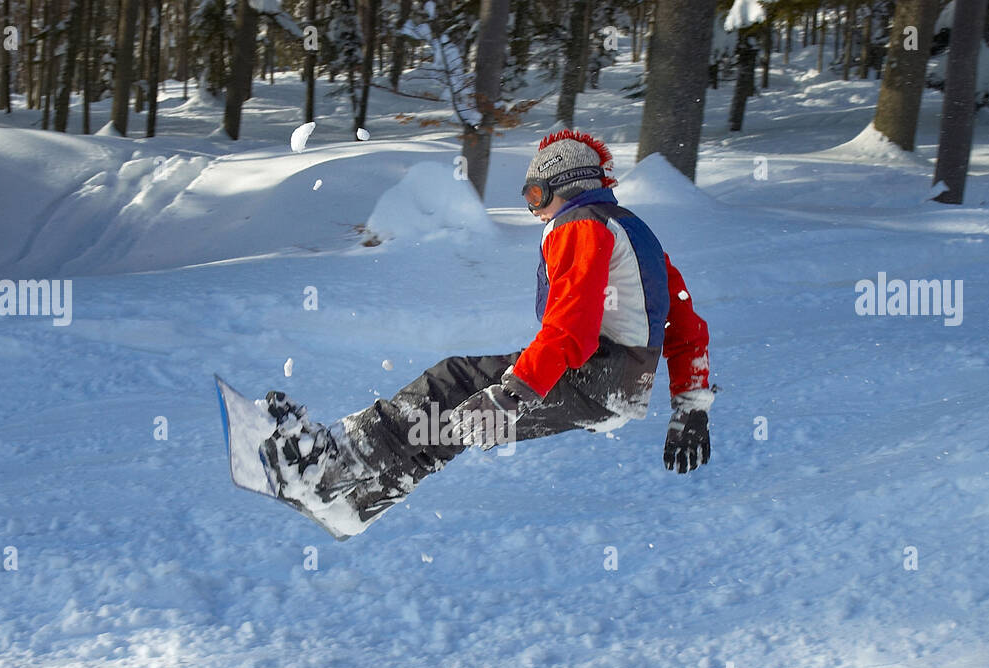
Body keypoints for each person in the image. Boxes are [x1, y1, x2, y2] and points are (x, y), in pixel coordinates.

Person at [254, 130, 713, 537]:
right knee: (457, 414)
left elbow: (571, 328)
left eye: (536, 194)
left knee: (451, 383)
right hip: (616, 386)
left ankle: (327, 468)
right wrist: (690, 407)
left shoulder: (581, 225)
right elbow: (684, 324)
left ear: (566, 185)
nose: (533, 210)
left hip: (592, 373)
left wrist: (512, 393)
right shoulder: (635, 231)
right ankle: (356, 503)